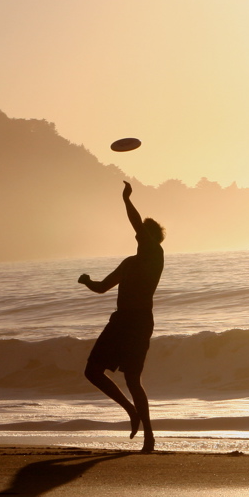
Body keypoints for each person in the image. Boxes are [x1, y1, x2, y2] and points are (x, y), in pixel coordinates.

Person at [78, 181, 164, 453]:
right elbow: (103, 287)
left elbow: (137, 224)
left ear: (150, 238)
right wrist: (87, 281)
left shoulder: (156, 256)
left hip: (139, 322)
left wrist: (126, 200)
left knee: (132, 379)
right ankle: (130, 410)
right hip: (120, 320)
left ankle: (149, 436)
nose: (138, 236)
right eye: (139, 235)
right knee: (92, 371)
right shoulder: (129, 262)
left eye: (144, 234)